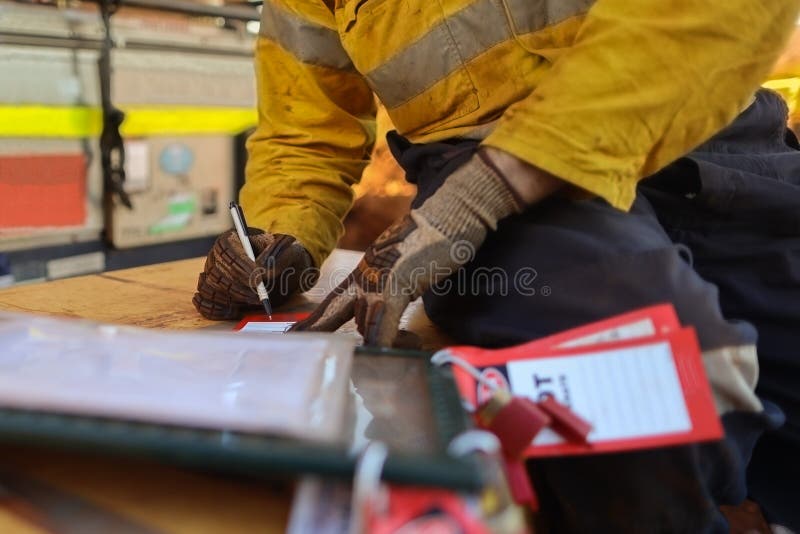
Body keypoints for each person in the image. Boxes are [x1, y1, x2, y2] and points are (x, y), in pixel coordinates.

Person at [193, 1, 800, 531]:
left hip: (704, 118)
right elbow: (304, 135)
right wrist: (281, 237)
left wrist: (478, 196)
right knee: (649, 371)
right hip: (483, 176)